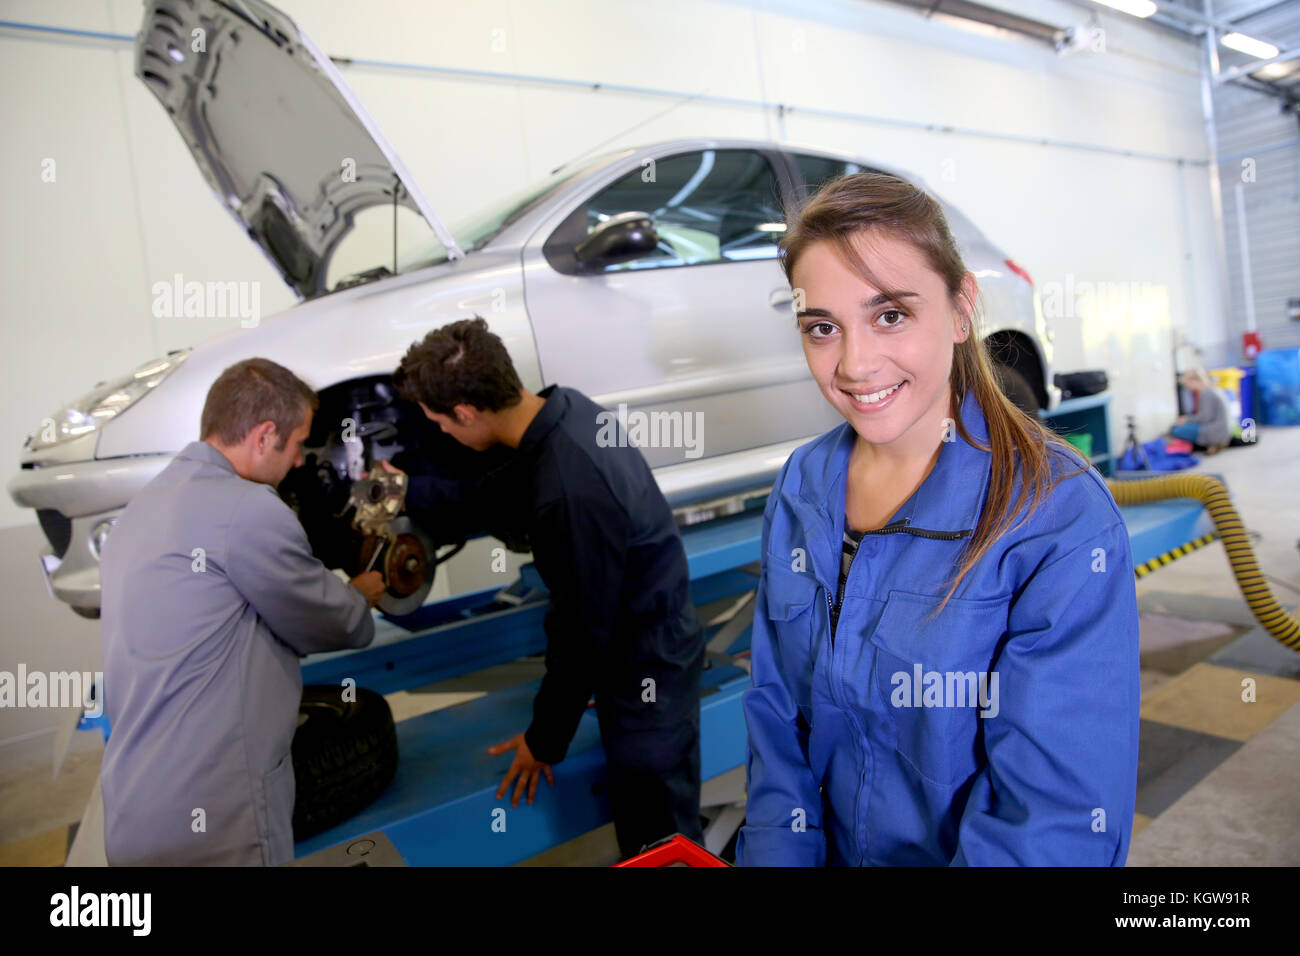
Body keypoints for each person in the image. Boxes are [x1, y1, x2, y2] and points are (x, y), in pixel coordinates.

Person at [737, 172, 1141, 866]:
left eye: (890, 314)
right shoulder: (804, 486)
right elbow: (778, 720)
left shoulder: (1058, 518)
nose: (855, 364)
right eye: (822, 328)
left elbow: (1053, 824)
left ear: (960, 310)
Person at [388, 318, 707, 860]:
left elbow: (579, 636)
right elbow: (497, 494)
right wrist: (408, 491)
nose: (441, 433)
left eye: (440, 422)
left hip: (646, 670)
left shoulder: (569, 493)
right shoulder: (565, 411)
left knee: (660, 840)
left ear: (465, 413)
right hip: (640, 631)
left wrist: (543, 741)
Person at [100, 358, 385, 866]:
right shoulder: (248, 511)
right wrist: (360, 593)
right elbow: (331, 621)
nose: (300, 461)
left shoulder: (141, 509)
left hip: (131, 808)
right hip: (215, 813)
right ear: (264, 435)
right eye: (298, 444)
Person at [1171, 369, 1231, 453]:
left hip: (1216, 431)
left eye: (1186, 384)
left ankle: (1212, 443)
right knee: (1183, 426)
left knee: (1177, 430)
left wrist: (1186, 419)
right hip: (1222, 429)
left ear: (1194, 381)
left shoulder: (1206, 393)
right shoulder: (1212, 389)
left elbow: (1205, 417)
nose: (1187, 387)